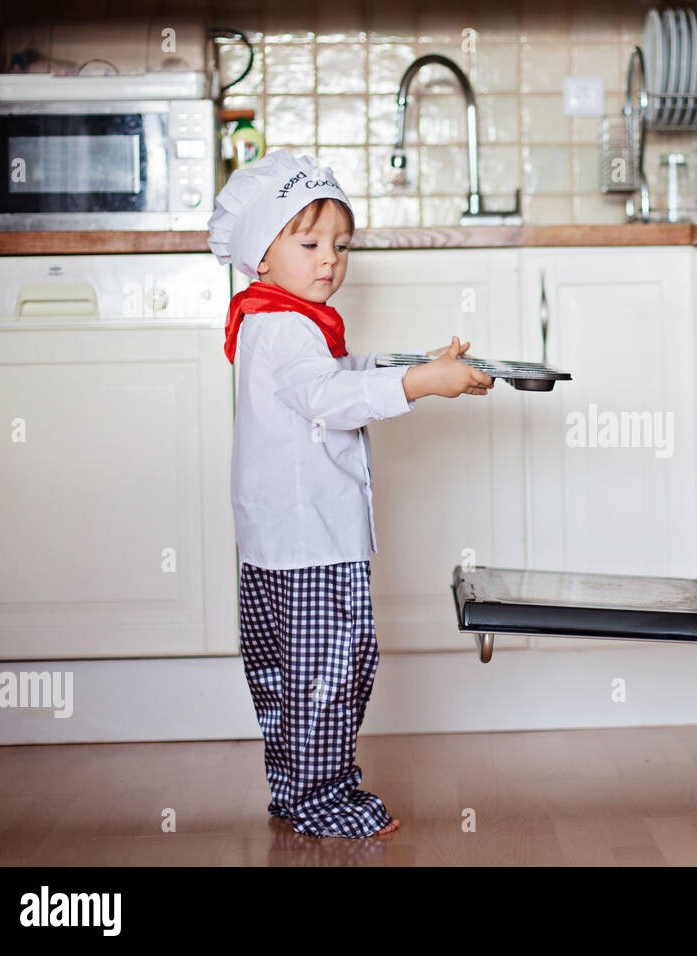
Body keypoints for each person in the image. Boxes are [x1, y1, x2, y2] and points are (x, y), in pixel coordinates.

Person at [207, 148, 494, 838]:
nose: (329, 258)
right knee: (332, 672)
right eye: (308, 243)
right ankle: (324, 799)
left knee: (285, 676)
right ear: (261, 253)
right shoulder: (285, 328)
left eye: (341, 244)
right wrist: (422, 386)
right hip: (313, 546)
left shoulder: (270, 319)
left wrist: (413, 365)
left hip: (274, 545)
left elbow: (336, 372)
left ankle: (295, 788)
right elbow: (331, 397)